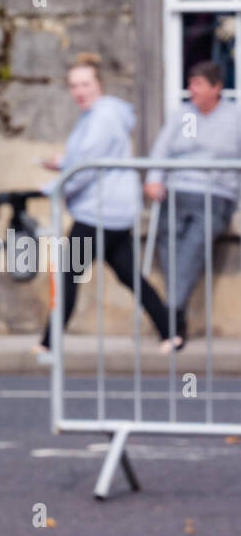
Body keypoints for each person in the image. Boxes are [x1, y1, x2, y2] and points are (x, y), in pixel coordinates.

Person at [36, 52, 179, 353]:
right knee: (129, 276)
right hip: (111, 211)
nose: (79, 92)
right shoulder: (100, 115)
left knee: (67, 276)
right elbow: (87, 159)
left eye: (85, 84)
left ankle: (49, 344)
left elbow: (86, 166)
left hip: (97, 212)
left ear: (99, 84)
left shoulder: (102, 117)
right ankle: (171, 332)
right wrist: (63, 164)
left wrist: (54, 188)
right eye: (74, 86)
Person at [144, 60, 241, 345]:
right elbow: (162, 148)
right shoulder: (183, 115)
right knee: (169, 247)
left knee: (191, 250)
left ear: (217, 88)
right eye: (190, 83)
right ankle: (175, 318)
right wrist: (154, 178)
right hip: (176, 191)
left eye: (199, 84)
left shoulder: (234, 117)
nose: (192, 89)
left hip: (215, 194)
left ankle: (172, 317)